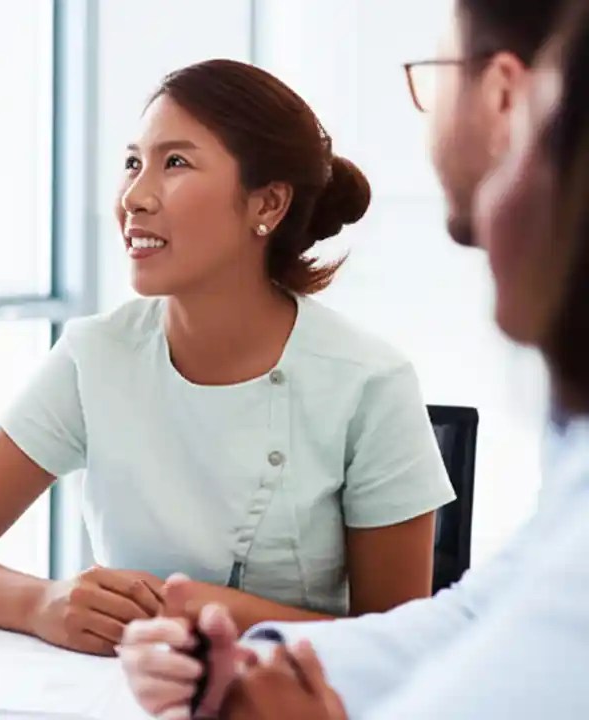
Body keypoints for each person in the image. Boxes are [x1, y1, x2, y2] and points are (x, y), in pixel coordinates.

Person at [118, 0, 587, 717]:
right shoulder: (107, 347)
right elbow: (482, 620)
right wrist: (261, 660)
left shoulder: (367, 377)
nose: (137, 197)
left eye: (436, 76)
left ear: (504, 97)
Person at [0, 58, 456, 657]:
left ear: (266, 205)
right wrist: (41, 604)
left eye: (176, 163)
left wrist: (218, 613)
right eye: (134, 163)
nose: (134, 197)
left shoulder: (370, 383)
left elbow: (402, 646)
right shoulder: (97, 356)